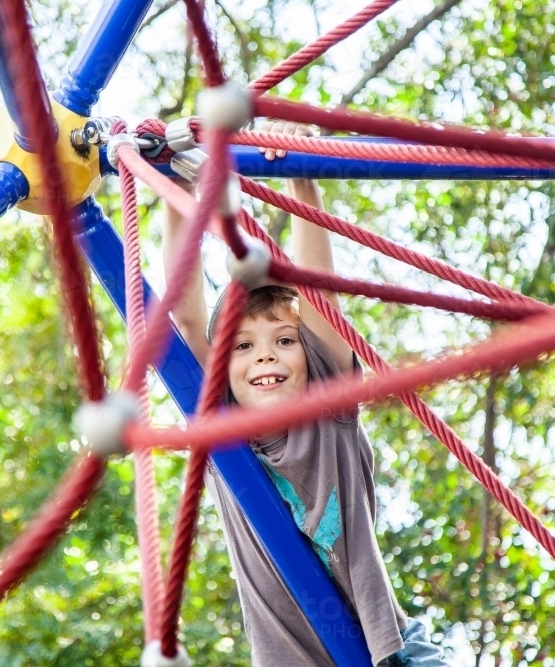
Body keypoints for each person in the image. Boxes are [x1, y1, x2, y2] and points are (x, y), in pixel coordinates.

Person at [162, 121, 449, 667]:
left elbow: (318, 292)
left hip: (390, 655)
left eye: (283, 340)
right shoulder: (220, 428)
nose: (265, 356)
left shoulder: (329, 409)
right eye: (243, 346)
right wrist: (175, 188)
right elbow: (184, 312)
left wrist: (300, 182)